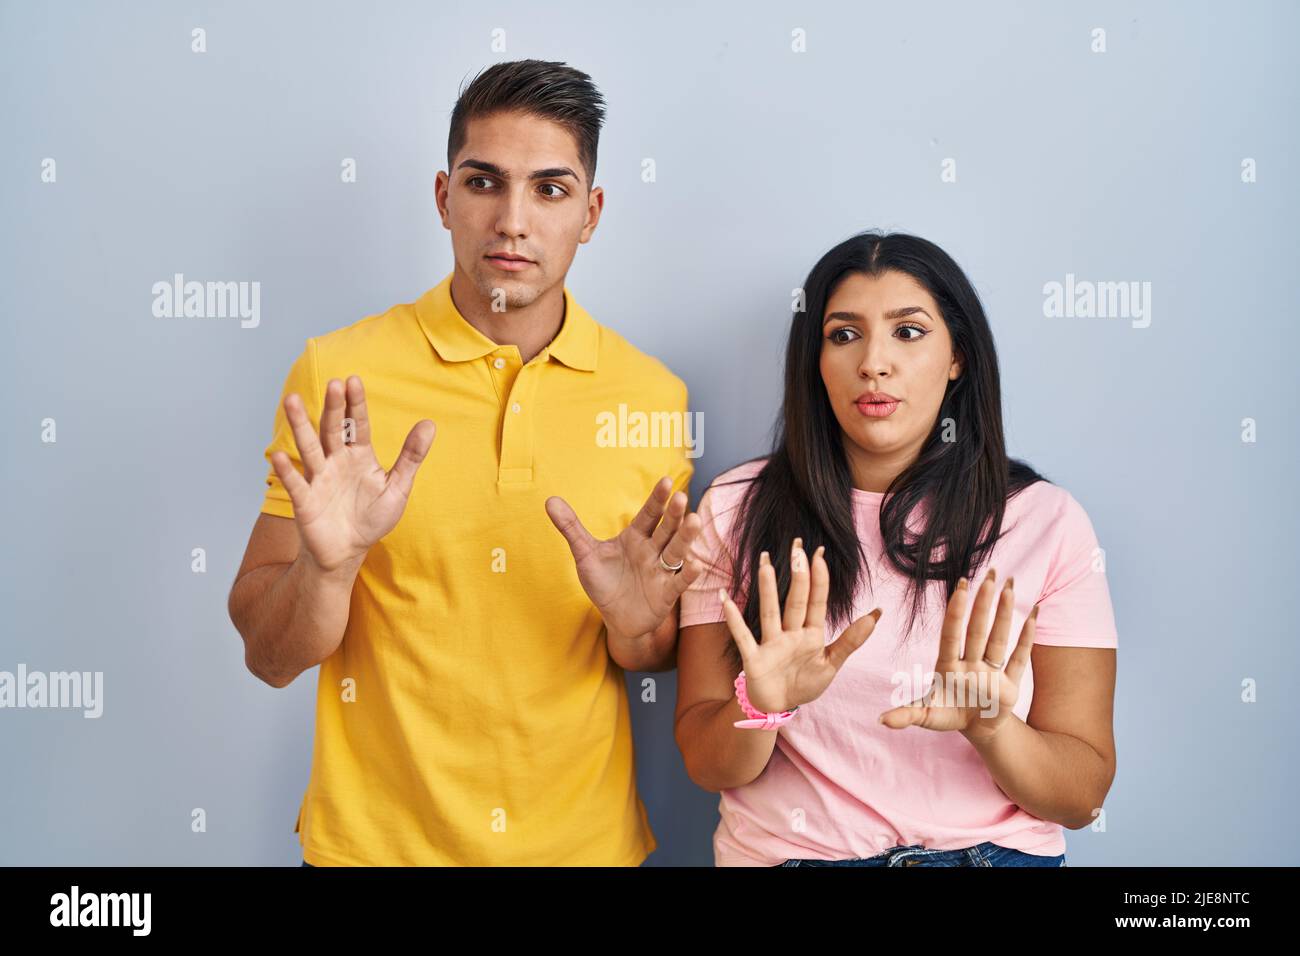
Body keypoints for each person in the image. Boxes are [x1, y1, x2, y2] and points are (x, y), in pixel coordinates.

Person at [228, 59, 704, 866]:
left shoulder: (652, 398)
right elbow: (270, 658)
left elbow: (655, 652)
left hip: (583, 850)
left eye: (550, 190)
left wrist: (636, 625)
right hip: (373, 851)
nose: (513, 221)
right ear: (446, 197)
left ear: (590, 214)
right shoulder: (340, 374)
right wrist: (328, 568)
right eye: (486, 183)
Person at [674, 231, 1118, 867]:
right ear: (815, 359)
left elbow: (1082, 797)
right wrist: (762, 705)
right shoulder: (735, 506)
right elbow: (704, 760)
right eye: (844, 334)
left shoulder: (1047, 521)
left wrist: (994, 729)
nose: (873, 363)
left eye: (908, 332)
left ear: (958, 355)